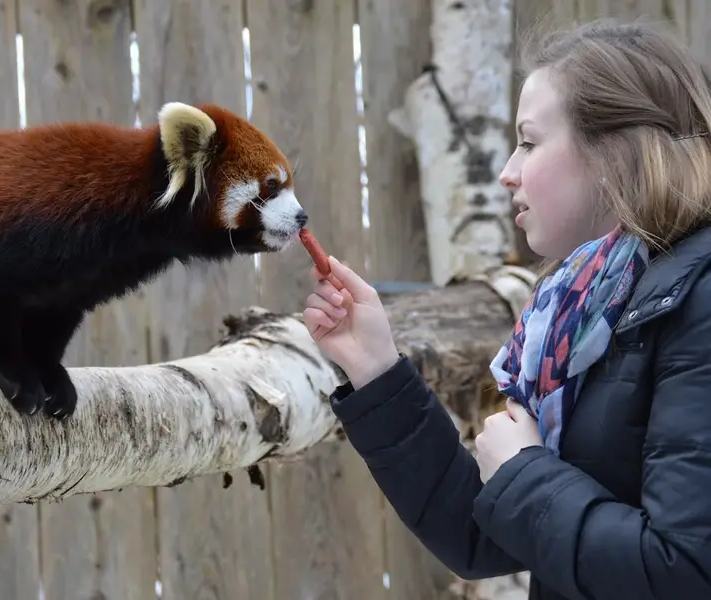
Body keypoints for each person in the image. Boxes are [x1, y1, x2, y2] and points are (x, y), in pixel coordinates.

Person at [302, 18, 711, 600]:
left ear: (613, 153)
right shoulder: (587, 311)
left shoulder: (696, 302)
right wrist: (375, 368)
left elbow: (683, 571)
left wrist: (523, 471)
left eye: (529, 141)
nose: (506, 172)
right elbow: (485, 534)